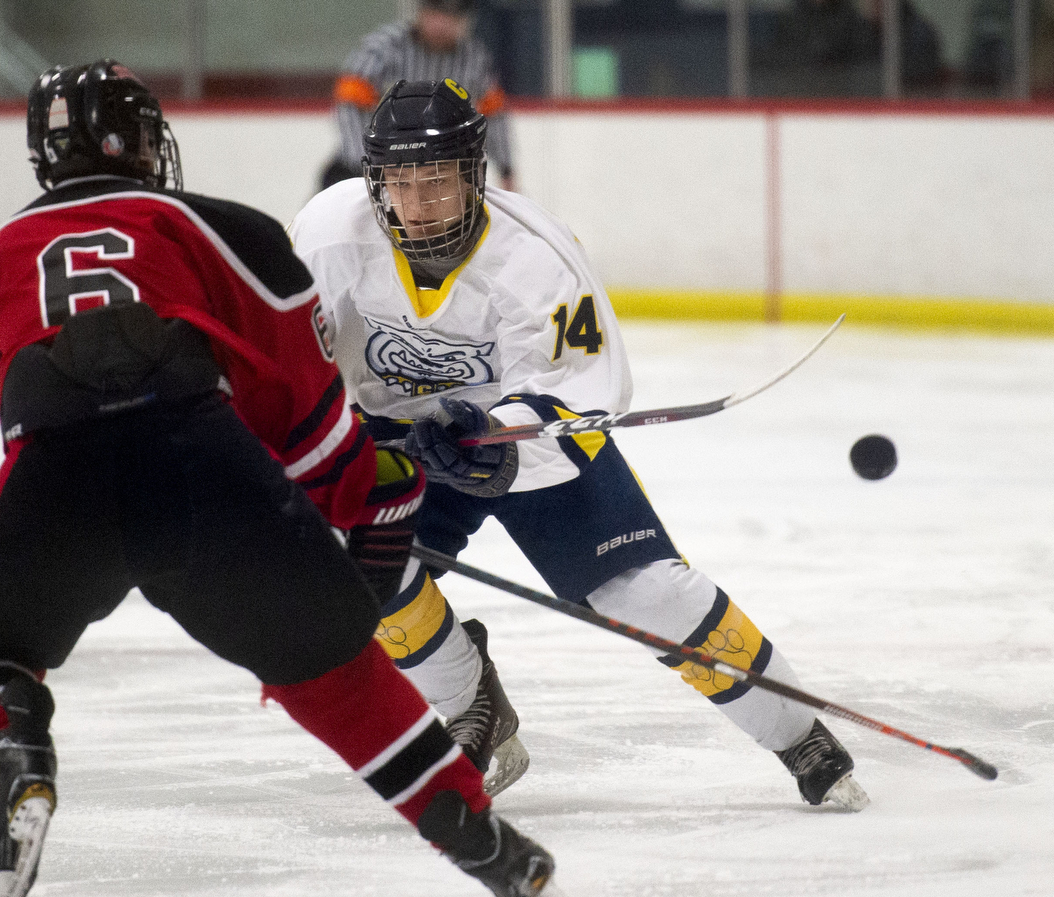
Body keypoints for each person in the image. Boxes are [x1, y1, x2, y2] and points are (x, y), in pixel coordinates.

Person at [0, 60, 556, 897]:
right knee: (335, 671)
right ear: (140, 140)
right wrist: (380, 495)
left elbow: (29, 405)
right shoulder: (220, 228)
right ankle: (481, 837)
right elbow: (308, 416)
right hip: (195, 467)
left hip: (51, 475)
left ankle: (13, 750)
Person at [287, 78, 871, 810]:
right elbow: (295, 364)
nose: (415, 202)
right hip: (395, 438)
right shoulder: (328, 235)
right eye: (398, 181)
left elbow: (584, 403)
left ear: (474, 173)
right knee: (357, 569)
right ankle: (474, 705)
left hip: (515, 437)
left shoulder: (537, 260)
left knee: (645, 589)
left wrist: (498, 443)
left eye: (435, 179)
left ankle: (796, 731)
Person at [321, 0, 515, 193]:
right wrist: (367, 167)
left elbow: (494, 117)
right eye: (434, 13)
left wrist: (507, 170)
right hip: (367, 164)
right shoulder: (385, 47)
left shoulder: (474, 59)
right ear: (420, 13)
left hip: (437, 174)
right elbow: (349, 104)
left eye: (452, 16)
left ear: (466, 20)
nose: (441, 24)